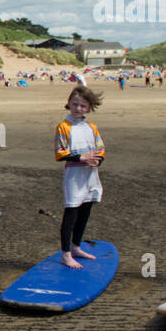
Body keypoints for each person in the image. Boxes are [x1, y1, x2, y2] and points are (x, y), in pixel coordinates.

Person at [54, 86, 105, 268]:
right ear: (68, 104)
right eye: (75, 104)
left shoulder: (92, 128)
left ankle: (76, 247)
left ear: (89, 107)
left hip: (90, 175)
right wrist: (81, 157)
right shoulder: (64, 127)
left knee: (85, 211)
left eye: (83, 105)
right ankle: (66, 254)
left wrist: (97, 161)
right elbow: (60, 153)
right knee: (71, 213)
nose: (78, 109)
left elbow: (100, 149)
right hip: (74, 176)